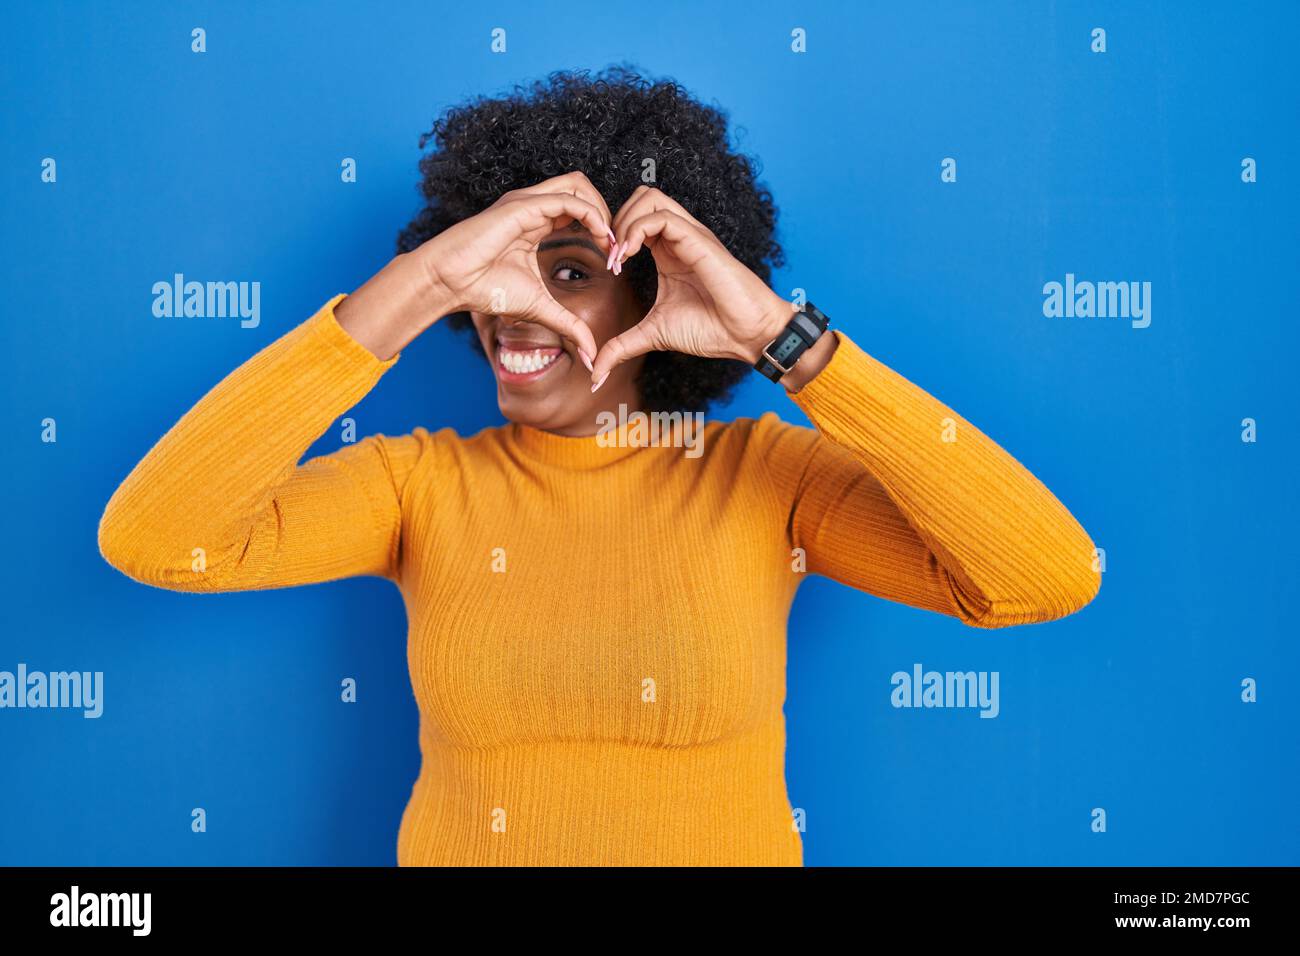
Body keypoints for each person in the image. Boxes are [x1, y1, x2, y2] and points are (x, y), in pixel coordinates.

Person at [98, 67, 1101, 866]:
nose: (512, 310)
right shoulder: (418, 485)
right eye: (491, 279)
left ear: (653, 296)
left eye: (570, 273)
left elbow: (1041, 576)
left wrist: (779, 338)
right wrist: (420, 282)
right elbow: (157, 538)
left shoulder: (766, 477)